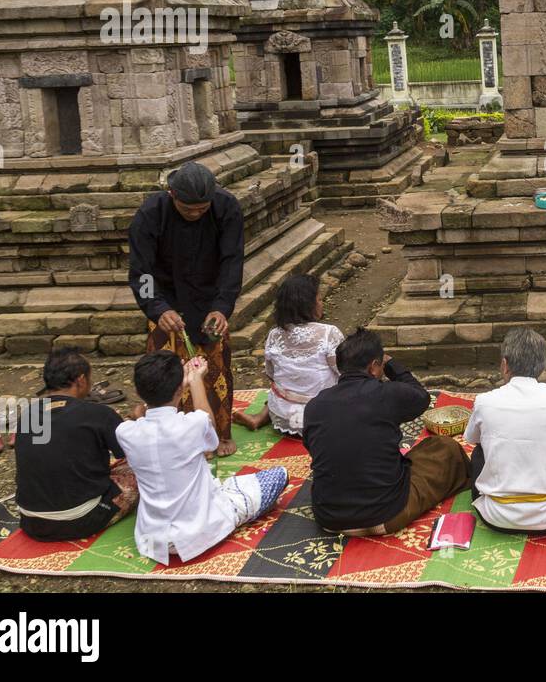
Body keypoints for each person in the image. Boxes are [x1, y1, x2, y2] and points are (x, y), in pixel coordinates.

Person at [116, 350, 288, 565]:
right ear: (180, 389)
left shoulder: (125, 432)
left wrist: (180, 384)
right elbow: (209, 427)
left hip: (151, 537)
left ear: (139, 391)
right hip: (197, 532)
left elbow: (152, 424)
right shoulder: (192, 425)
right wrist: (196, 379)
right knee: (280, 475)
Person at [303, 329, 469, 536]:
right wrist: (391, 364)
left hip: (329, 517)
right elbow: (420, 397)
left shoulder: (314, 406)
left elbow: (317, 447)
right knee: (445, 447)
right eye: (380, 364)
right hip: (385, 515)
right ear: (374, 367)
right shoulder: (387, 394)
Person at [128, 161, 244, 457]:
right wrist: (157, 308)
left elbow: (232, 261)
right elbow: (140, 272)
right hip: (167, 301)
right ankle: (174, 437)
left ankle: (219, 432)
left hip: (210, 300)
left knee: (216, 369)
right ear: (171, 195)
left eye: (202, 209)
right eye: (188, 209)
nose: (195, 214)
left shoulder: (226, 207)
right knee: (166, 371)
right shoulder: (150, 214)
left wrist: (222, 307)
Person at [465, 328, 546, 535]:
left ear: (504, 364)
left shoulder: (484, 401)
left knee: (480, 451)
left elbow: (472, 439)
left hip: (496, 515)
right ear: (543, 366)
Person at [14, 349, 141, 541]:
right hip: (79, 519)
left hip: (31, 520)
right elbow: (137, 451)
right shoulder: (99, 413)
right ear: (81, 380)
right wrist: (140, 421)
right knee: (138, 470)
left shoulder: (28, 414)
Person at [233, 274, 342, 435]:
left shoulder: (274, 335)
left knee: (281, 386)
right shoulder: (329, 333)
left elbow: (271, 374)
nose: (322, 303)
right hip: (323, 417)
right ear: (308, 305)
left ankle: (259, 417)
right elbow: (344, 371)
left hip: (283, 416)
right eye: (319, 300)